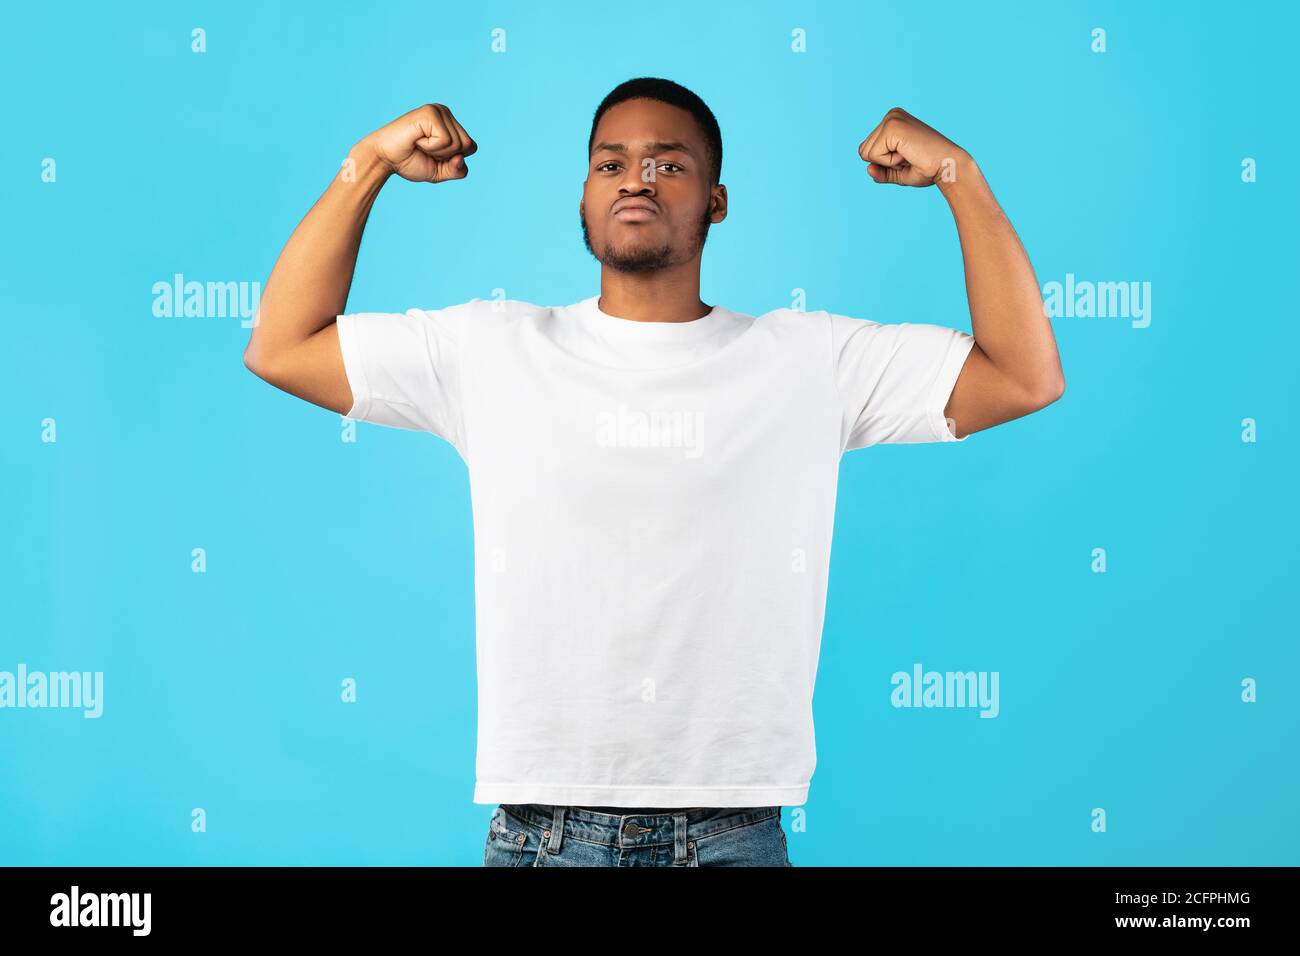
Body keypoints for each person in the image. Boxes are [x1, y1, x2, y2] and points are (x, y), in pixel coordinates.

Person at [243, 78, 1065, 867]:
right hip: (544, 834)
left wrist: (959, 174)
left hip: (735, 832)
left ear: (717, 201)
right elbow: (282, 346)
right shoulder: (490, 349)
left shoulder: (810, 360)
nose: (636, 178)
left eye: (668, 163)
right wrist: (368, 162)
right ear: (583, 197)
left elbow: (1022, 377)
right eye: (611, 162)